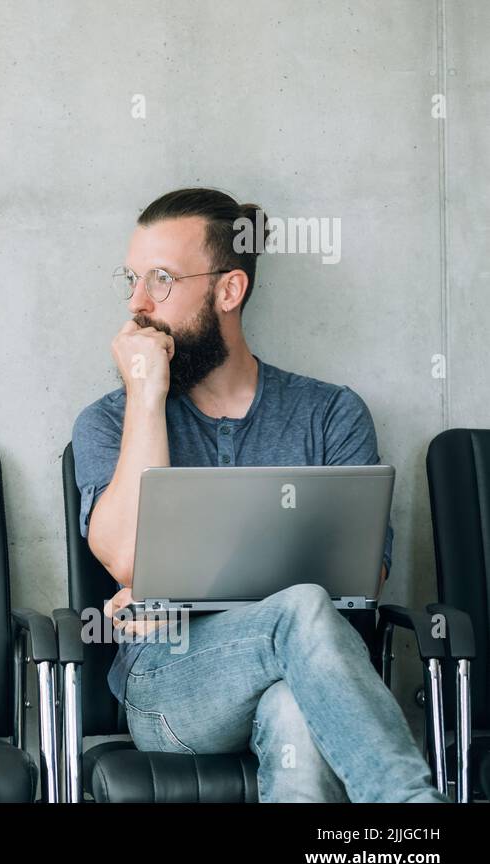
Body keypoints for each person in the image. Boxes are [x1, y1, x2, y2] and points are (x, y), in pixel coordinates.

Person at [71, 187, 447, 802]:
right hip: (171, 689)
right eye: (132, 279)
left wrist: (189, 582)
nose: (138, 304)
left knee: (295, 712)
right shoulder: (110, 421)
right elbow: (129, 559)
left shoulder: (330, 414)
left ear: (228, 290)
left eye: (161, 280)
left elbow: (362, 580)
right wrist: (145, 394)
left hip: (308, 679)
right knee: (300, 606)